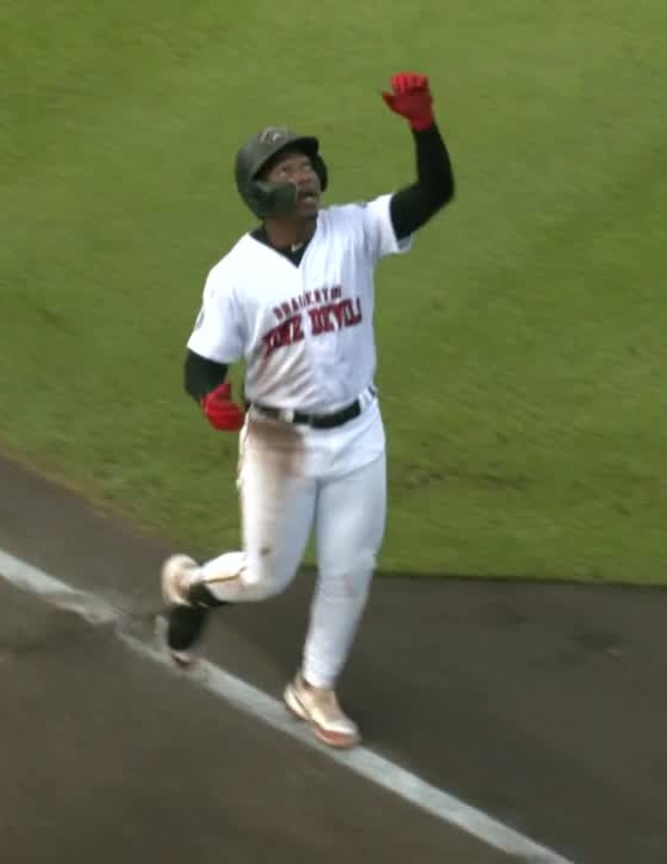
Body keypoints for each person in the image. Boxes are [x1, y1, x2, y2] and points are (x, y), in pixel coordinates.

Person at [158, 71, 455, 749]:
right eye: (288, 169)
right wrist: (209, 397)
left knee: (351, 567)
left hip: (359, 432)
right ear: (261, 191)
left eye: (307, 165)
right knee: (266, 577)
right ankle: (195, 588)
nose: (306, 176)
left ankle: (314, 686)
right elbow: (201, 360)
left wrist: (423, 125)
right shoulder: (235, 275)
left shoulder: (353, 231)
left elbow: (434, 194)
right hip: (278, 444)